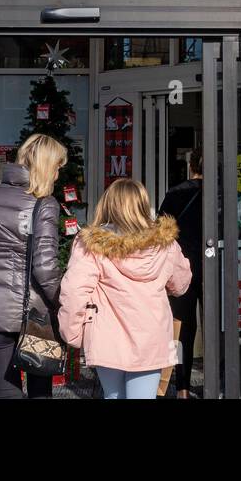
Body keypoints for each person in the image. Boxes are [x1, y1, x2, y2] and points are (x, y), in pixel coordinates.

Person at [59, 178, 192, 399]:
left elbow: (73, 291)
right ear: (142, 205)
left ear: (109, 204)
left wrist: (72, 334)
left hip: (106, 336)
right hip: (151, 335)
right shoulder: (166, 244)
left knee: (112, 396)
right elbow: (181, 285)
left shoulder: (90, 244)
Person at [0, 133, 65, 399]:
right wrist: (63, 301)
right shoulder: (44, 204)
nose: (59, 174)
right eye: (58, 167)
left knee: (5, 393)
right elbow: (45, 267)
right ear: (47, 166)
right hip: (33, 316)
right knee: (40, 393)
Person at [158, 149, 204, 397]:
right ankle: (219, 380)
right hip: (214, 266)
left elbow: (161, 232)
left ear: (191, 166)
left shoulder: (175, 194)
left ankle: (182, 387)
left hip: (181, 268)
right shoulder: (221, 194)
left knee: (181, 328)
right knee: (219, 325)